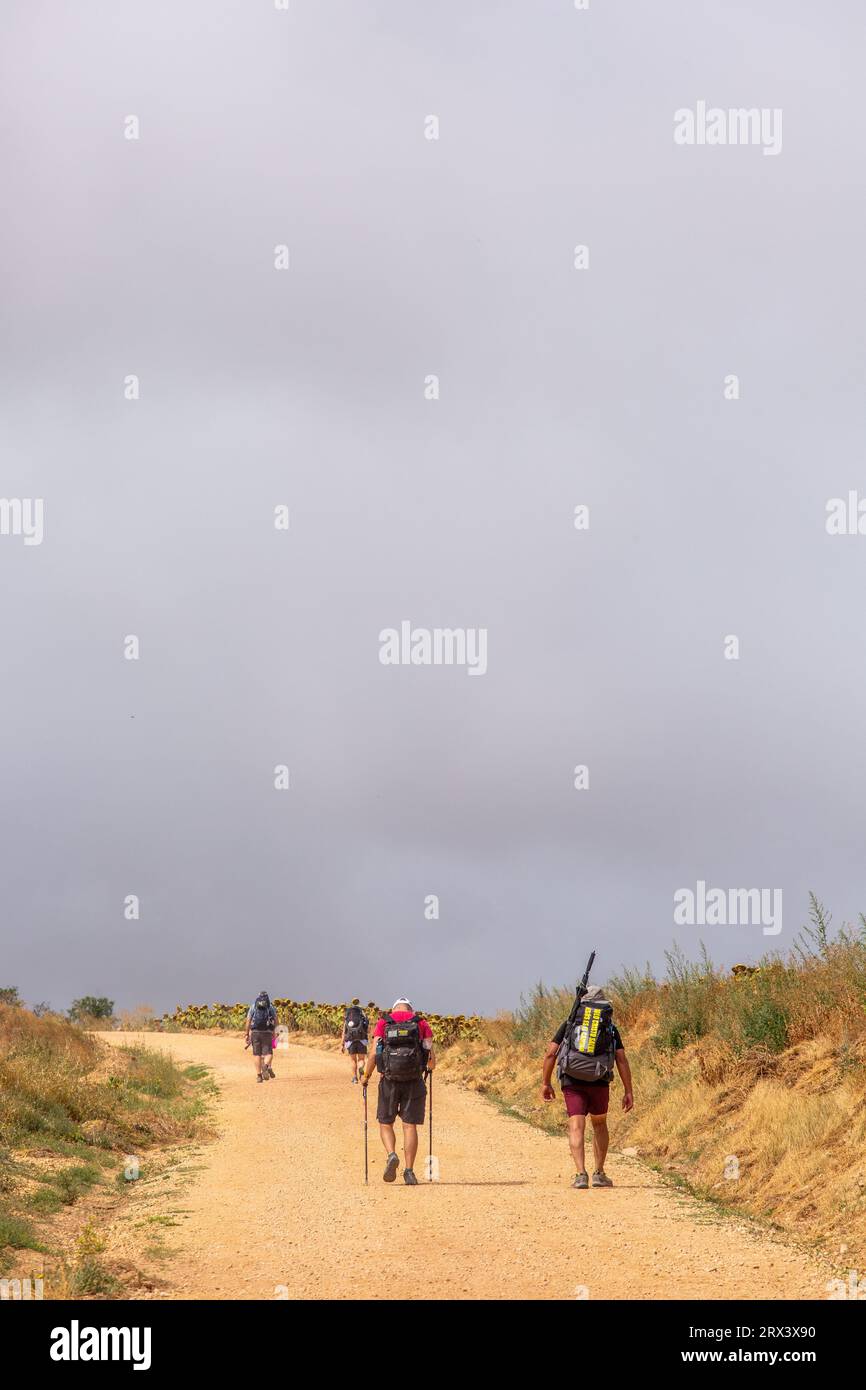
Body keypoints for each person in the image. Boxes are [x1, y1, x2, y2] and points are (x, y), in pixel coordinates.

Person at [541, 986, 633, 1188]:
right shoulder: (609, 1027)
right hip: (599, 1079)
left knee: (576, 1125)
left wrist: (546, 1083)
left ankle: (580, 1174)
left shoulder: (570, 1023)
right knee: (599, 1124)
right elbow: (621, 1059)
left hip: (572, 1080)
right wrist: (628, 1090)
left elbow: (550, 1054)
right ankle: (599, 1173)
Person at [361, 997, 434, 1185]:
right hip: (414, 1081)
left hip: (389, 1080)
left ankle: (392, 1154)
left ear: (393, 1009)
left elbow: (374, 1054)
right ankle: (409, 1172)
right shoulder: (421, 1023)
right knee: (409, 1126)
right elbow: (431, 1057)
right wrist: (429, 1068)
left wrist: (366, 1076)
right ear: (411, 1009)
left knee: (386, 1123)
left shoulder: (384, 1022)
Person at [245, 991, 277, 1083]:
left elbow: (248, 1021)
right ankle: (266, 1065)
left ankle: (259, 1076)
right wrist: (275, 1032)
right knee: (269, 1053)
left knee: (257, 1054)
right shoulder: (270, 1006)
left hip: (255, 1032)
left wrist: (247, 1034)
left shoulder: (253, 1006)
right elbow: (276, 1019)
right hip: (267, 1032)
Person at [342, 998, 369, 1084]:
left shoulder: (347, 1017)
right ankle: (361, 1068)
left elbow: (344, 1031)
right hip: (362, 1040)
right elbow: (367, 1027)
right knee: (361, 1059)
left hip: (350, 1040)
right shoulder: (362, 1014)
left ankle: (354, 1078)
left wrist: (342, 1044)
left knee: (353, 1060)